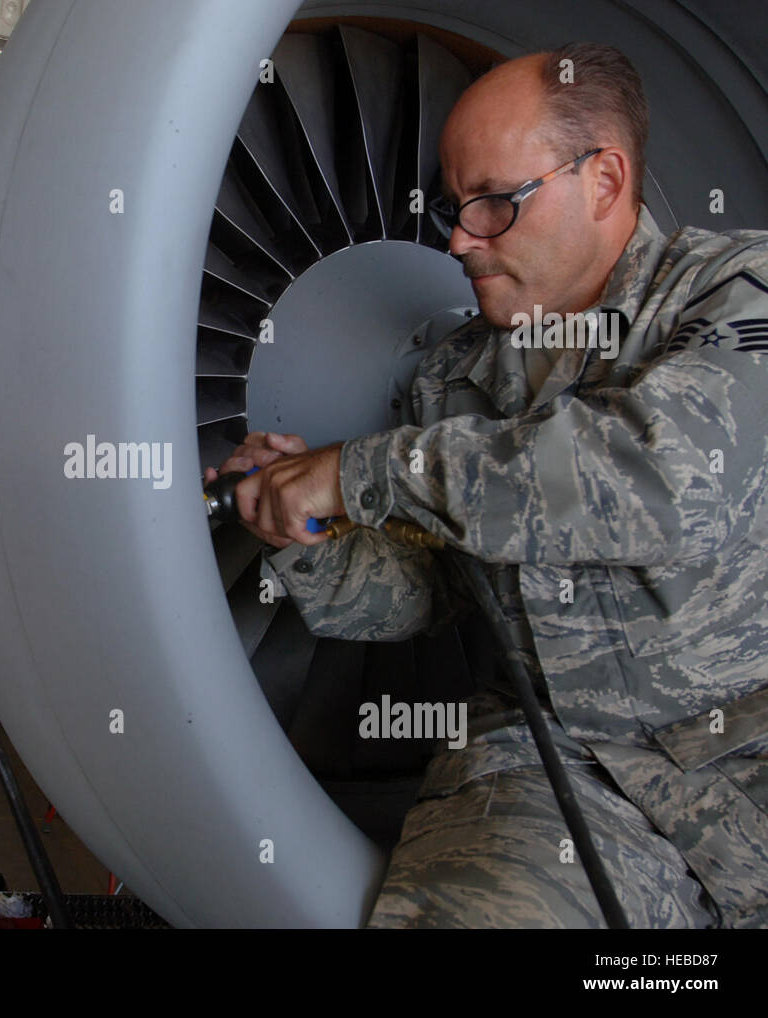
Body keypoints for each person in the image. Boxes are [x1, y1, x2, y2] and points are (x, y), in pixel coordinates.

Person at [207, 43, 768, 928]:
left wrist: (358, 473)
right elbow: (425, 589)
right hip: (557, 775)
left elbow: (666, 480)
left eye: (496, 204)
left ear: (606, 181)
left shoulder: (738, 296)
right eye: (456, 204)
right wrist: (304, 533)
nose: (459, 238)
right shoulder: (450, 380)